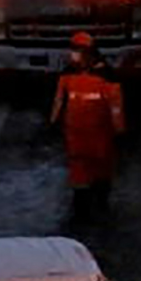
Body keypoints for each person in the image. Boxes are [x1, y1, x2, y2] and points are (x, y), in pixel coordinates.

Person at [49, 37, 125, 224]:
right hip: (84, 135)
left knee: (93, 170)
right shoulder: (104, 75)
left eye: (77, 51)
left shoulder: (98, 76)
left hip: (93, 134)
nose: (73, 55)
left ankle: (89, 208)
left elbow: (116, 106)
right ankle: (89, 208)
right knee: (87, 171)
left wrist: (119, 129)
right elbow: (59, 100)